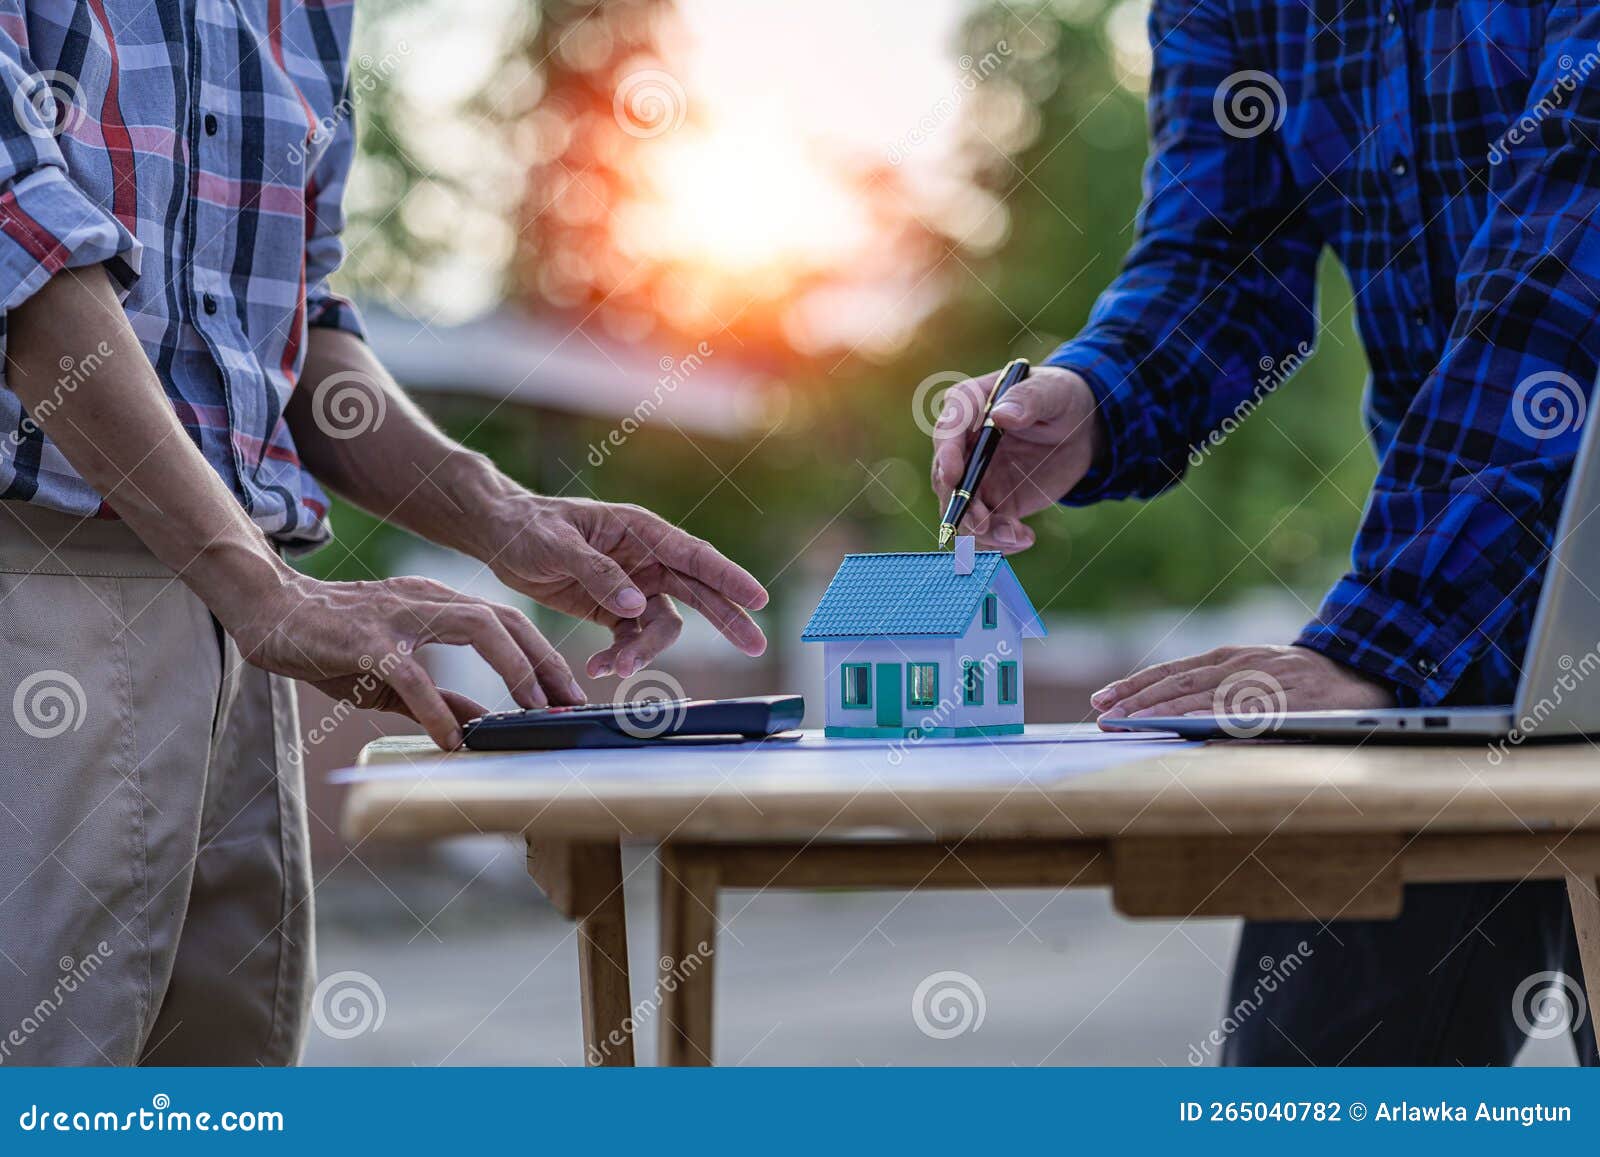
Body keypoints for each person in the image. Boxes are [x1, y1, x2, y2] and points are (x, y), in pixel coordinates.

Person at [0, 3, 765, 1065]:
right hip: (37, 590)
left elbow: (287, 322)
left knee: (220, 1086)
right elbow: (18, 256)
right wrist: (266, 593)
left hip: (239, 617)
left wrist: (502, 513)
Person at [932, 0, 1600, 1064]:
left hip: (1435, 614)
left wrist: (1377, 641)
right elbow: (1218, 262)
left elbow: (1566, 273)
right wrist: (1092, 395)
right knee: (1300, 1086)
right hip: (1454, 644)